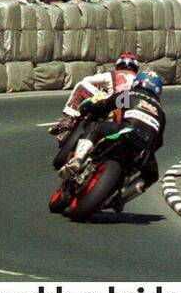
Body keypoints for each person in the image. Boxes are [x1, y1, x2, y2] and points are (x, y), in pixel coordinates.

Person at [71, 69, 167, 212]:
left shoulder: (130, 95)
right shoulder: (160, 112)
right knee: (152, 175)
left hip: (125, 132)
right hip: (144, 147)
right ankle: (122, 197)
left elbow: (105, 105)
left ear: (137, 82)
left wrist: (91, 107)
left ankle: (78, 159)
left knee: (95, 127)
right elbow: (158, 142)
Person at [49, 53, 141, 143]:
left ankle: (69, 118)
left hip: (109, 105)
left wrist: (99, 90)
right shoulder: (140, 79)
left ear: (118, 64)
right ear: (136, 67)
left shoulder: (110, 74)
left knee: (81, 85)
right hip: (129, 113)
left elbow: (86, 80)